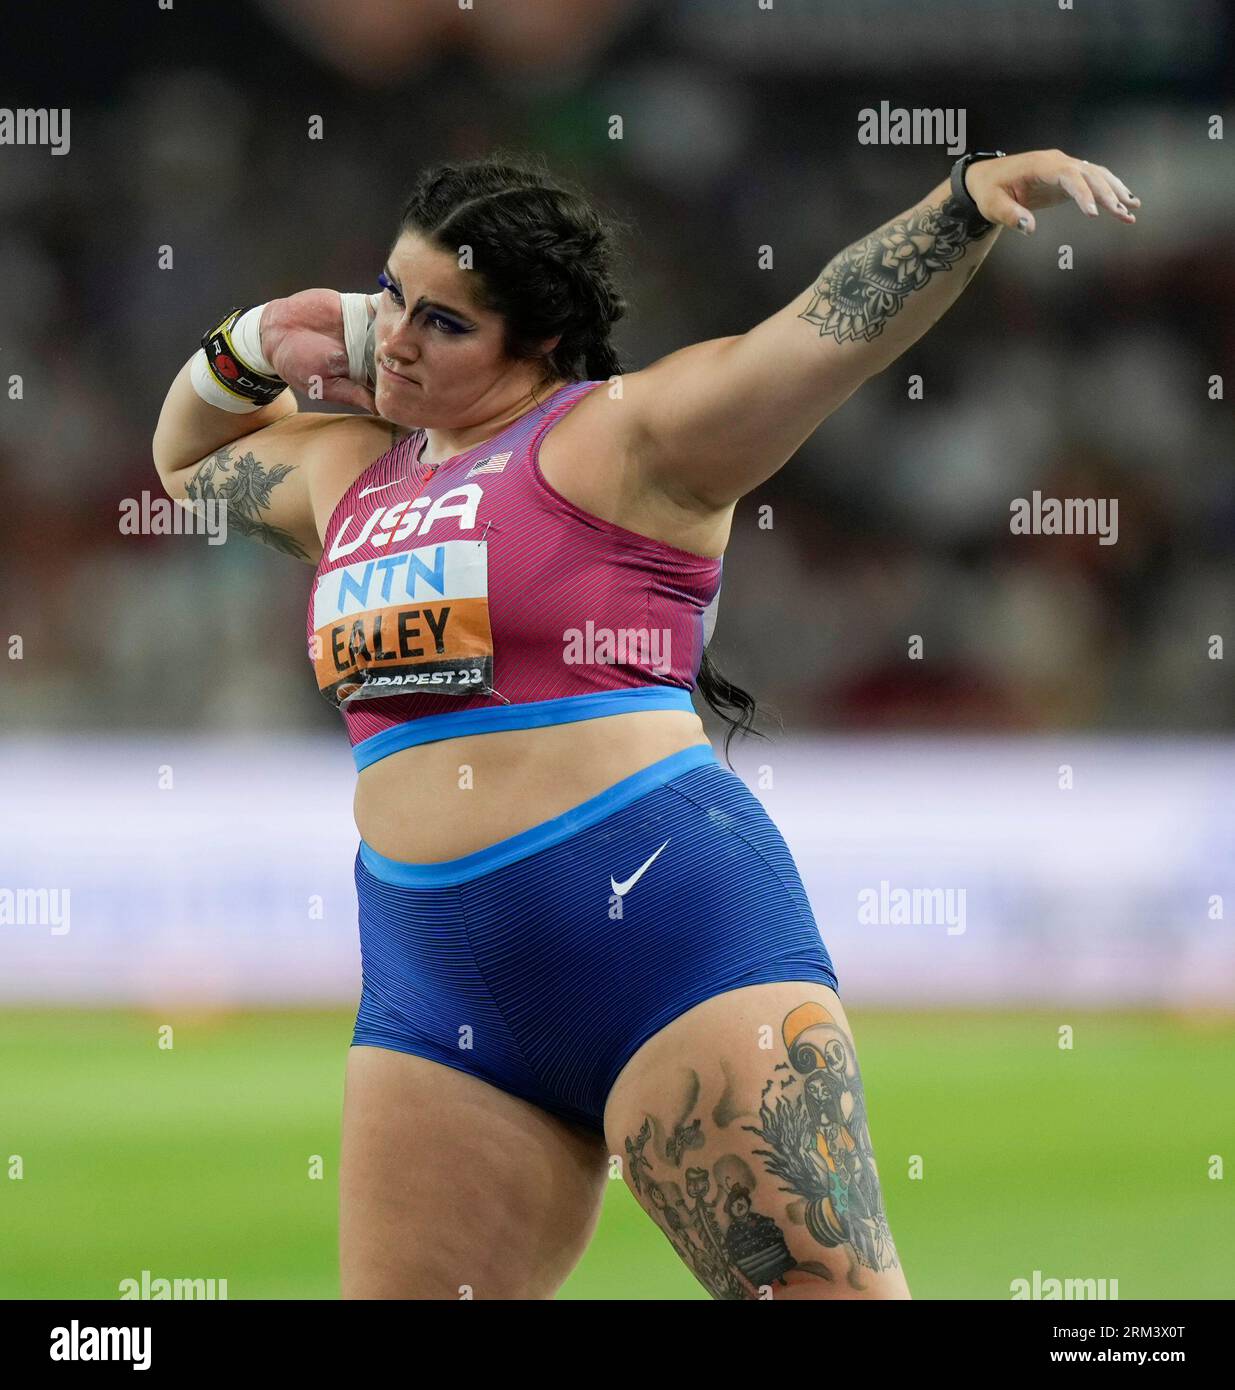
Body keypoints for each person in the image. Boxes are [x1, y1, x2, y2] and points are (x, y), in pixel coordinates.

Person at [152, 149, 1138, 1300]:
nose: (398, 340)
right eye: (389, 299)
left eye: (444, 322)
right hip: (432, 993)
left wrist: (963, 201)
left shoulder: (623, 441)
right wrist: (260, 339)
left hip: (666, 939)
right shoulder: (347, 476)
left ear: (535, 346)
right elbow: (184, 462)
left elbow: (826, 327)